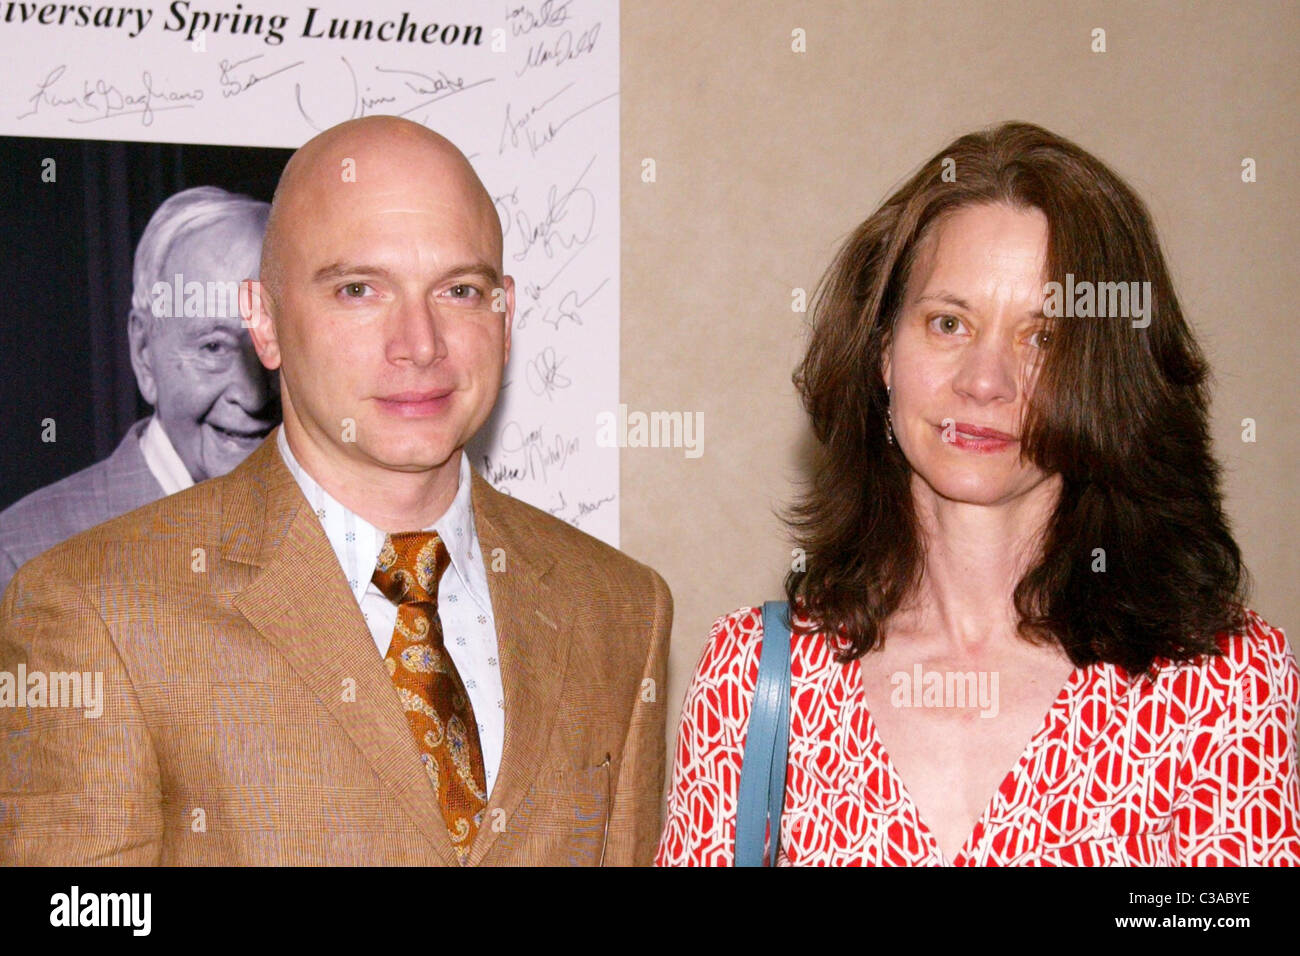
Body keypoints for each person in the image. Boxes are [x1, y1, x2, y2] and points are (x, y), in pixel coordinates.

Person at [0, 116, 671, 866]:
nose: (420, 344)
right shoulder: (94, 609)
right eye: (359, 290)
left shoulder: (620, 609)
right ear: (265, 320)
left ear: (505, 314)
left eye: (459, 290)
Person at [657, 121, 1300, 866]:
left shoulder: (1222, 686)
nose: (985, 381)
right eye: (949, 323)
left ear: (1109, 378)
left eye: (1043, 338)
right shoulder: (754, 679)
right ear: (883, 351)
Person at [0, 186, 278, 596]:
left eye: (273, 341)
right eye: (213, 347)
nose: (252, 396)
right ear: (144, 353)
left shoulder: (348, 530)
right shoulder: (21, 560)